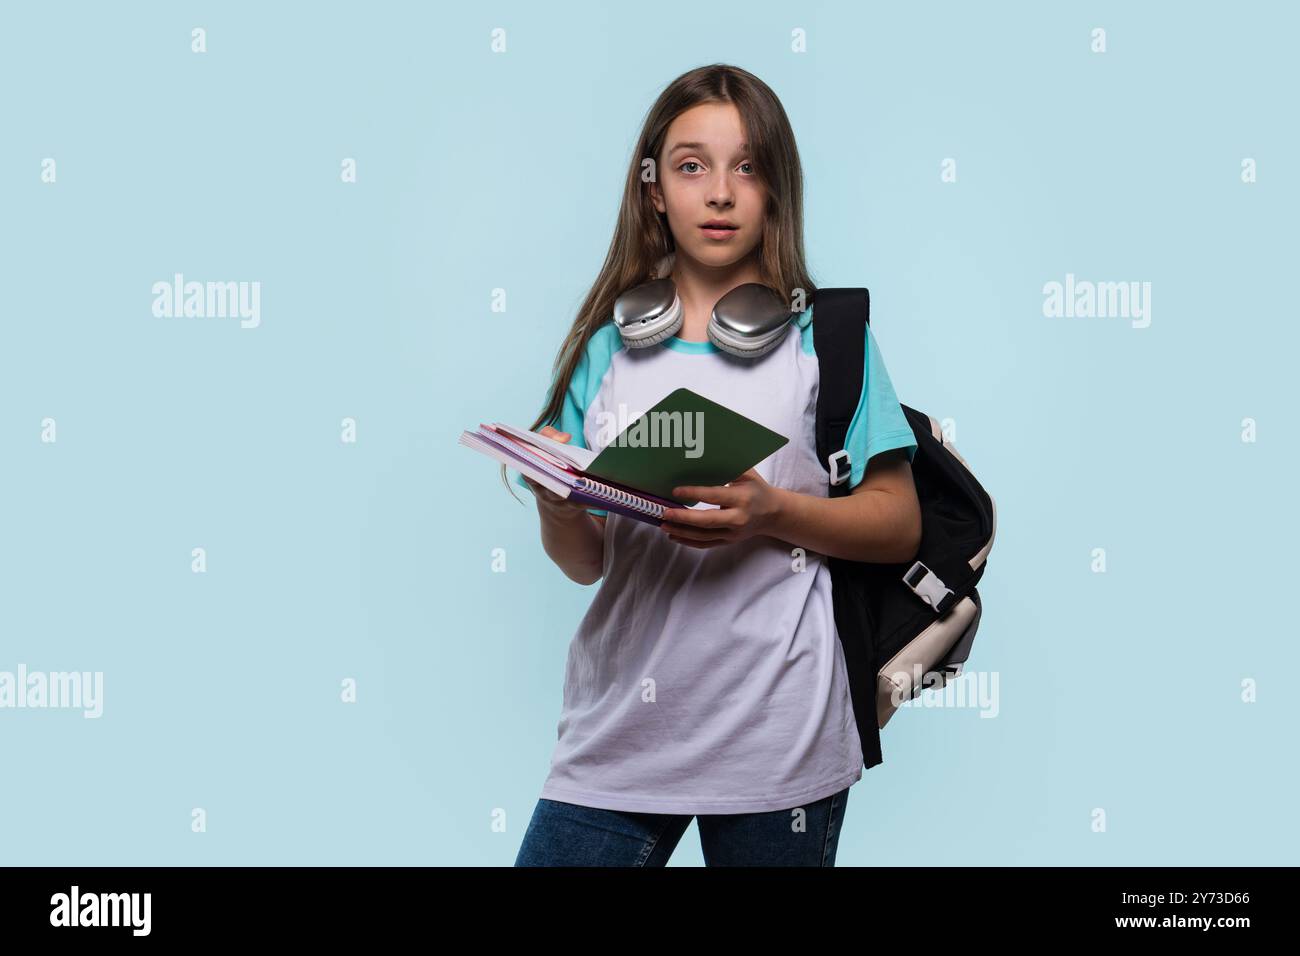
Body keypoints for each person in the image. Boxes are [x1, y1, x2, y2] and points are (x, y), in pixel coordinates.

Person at [505, 64, 922, 867]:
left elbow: (898, 524)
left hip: (780, 741)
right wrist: (560, 507)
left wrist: (774, 513)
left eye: (748, 166)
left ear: (775, 192)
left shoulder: (824, 343)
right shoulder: (607, 352)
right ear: (655, 190)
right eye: (692, 166)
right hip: (617, 732)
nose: (721, 192)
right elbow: (585, 564)